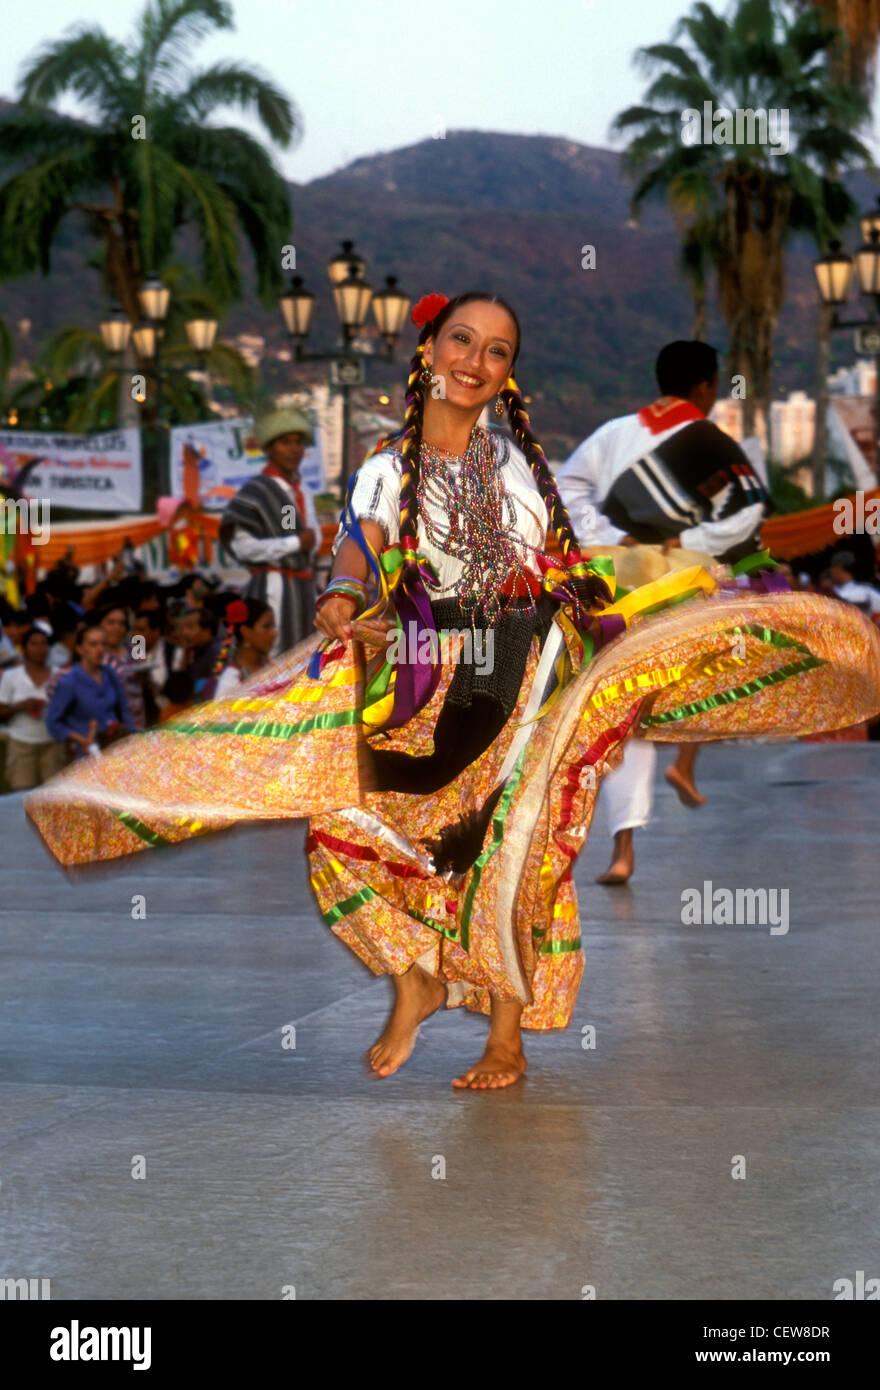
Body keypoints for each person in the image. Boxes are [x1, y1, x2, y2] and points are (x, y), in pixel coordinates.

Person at [24, 294, 880, 1094]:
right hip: (428, 672)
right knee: (341, 826)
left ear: (509, 374)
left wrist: (666, 587)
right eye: (463, 340)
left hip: (529, 669)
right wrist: (339, 597)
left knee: (519, 852)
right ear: (429, 351)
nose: (476, 359)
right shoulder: (386, 467)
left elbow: (574, 562)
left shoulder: (521, 467)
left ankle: (505, 1032)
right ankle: (418, 979)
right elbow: (361, 543)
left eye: (497, 350)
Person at [556, 339, 769, 882]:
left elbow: (565, 488)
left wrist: (609, 536)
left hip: (617, 583)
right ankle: (676, 774)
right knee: (677, 692)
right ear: (705, 387)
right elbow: (747, 515)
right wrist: (686, 538)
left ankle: (623, 847)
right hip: (681, 582)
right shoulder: (717, 444)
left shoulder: (612, 433)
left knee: (625, 704)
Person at [219, 409, 319, 658]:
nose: (294, 449)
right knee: (270, 659)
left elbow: (311, 539)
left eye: (298, 442)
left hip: (304, 588)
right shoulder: (257, 491)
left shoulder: (302, 490)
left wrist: (300, 543)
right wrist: (295, 543)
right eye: (286, 442)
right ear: (269, 449)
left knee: (304, 661)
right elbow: (243, 547)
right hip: (271, 588)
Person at [46, 623, 134, 760]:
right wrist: (79, 738)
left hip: (115, 746)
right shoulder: (70, 682)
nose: (100, 649)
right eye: (93, 644)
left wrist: (132, 736)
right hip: (88, 752)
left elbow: (124, 709)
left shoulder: (109, 673)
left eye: (103, 644)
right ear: (80, 649)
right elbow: (53, 722)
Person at [0, 626, 65, 789]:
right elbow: (1, 711)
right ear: (25, 647)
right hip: (21, 744)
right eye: (33, 644)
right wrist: (20, 706)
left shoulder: (59, 675)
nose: (39, 649)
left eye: (44, 644)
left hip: (53, 743)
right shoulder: (11, 676)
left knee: (52, 799)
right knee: (22, 795)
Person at [212, 598, 277, 699]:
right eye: (267, 627)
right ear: (245, 632)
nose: (274, 633)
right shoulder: (230, 683)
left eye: (273, 626)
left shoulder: (274, 668)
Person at [829, 550, 880, 619]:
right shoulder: (867, 591)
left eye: (832, 567)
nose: (831, 571)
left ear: (839, 567)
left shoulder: (831, 594)